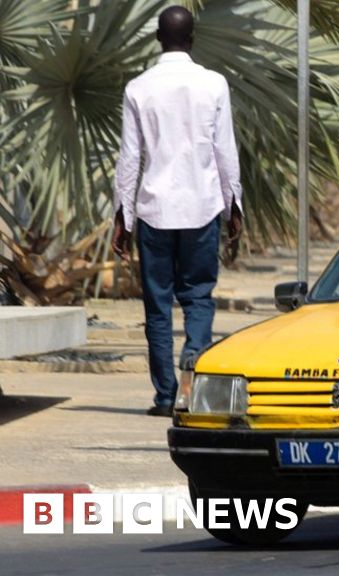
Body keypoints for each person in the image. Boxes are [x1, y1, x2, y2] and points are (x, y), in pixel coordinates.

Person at [112, 6, 243, 417]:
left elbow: (129, 158)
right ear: (192, 39)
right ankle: (194, 367)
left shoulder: (138, 88)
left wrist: (123, 216)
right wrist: (234, 206)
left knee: (157, 307)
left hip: (155, 211)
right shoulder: (214, 84)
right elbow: (225, 150)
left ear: (158, 38)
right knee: (199, 297)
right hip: (202, 207)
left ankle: (166, 396)